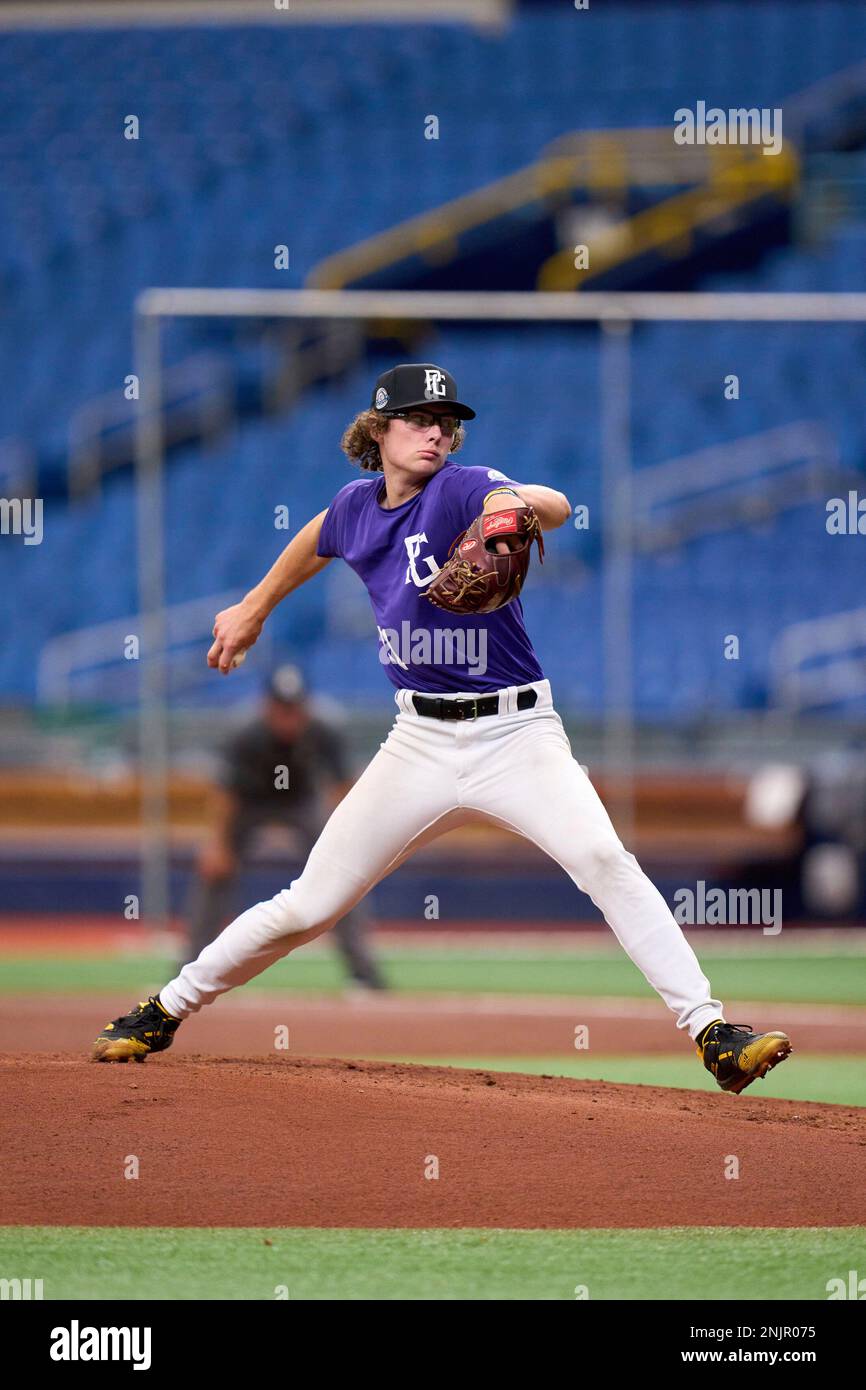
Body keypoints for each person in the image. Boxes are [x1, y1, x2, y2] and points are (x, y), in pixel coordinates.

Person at [92, 362, 792, 1094]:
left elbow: (552, 504)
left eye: (447, 421)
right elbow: (318, 537)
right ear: (378, 430)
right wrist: (256, 606)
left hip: (518, 736)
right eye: (420, 419)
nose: (437, 432)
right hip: (417, 743)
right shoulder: (357, 509)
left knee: (604, 861)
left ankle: (713, 1033)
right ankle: (164, 1008)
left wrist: (513, 511)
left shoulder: (462, 486)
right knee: (309, 906)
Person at [186, 663, 385, 992]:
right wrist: (218, 845)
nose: (289, 718)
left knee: (341, 876)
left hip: (300, 804)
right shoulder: (247, 734)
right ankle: (187, 968)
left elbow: (342, 788)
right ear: (267, 706)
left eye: (295, 710)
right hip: (250, 805)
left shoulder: (323, 730)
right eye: (282, 710)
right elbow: (226, 795)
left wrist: (350, 842)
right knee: (214, 872)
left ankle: (363, 974)